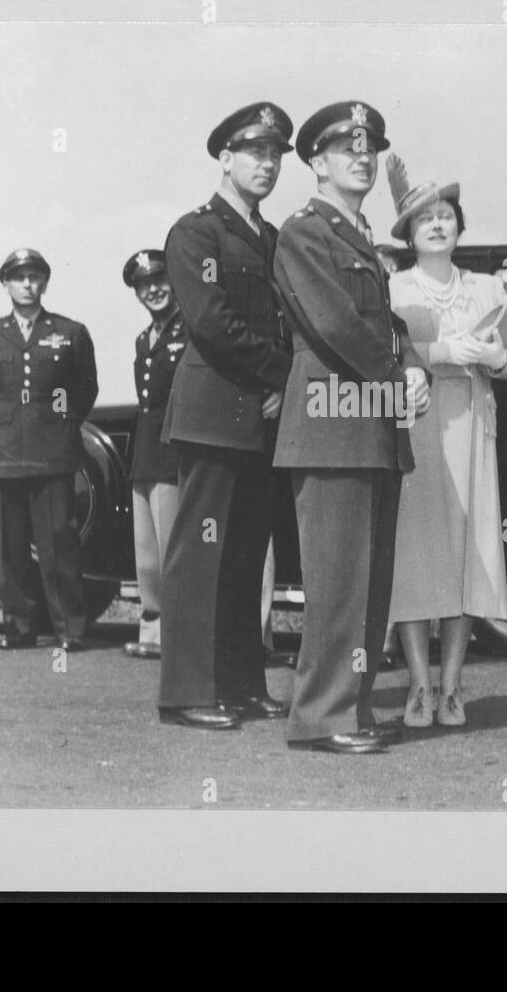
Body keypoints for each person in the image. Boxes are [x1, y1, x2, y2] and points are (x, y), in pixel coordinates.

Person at [272, 101, 431, 754]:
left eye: (369, 148)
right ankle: (322, 714)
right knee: (337, 581)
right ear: (317, 161)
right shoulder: (305, 232)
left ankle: (353, 706)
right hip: (333, 420)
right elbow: (335, 325)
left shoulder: (359, 234)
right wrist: (398, 378)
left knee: (366, 582)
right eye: (345, 148)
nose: (361, 158)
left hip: (369, 422)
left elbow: (385, 329)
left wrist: (413, 366)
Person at [156, 102, 295, 730]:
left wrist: (281, 386)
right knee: (200, 555)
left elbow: (288, 320)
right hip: (215, 413)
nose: (267, 165)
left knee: (245, 556)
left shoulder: (272, 237)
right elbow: (212, 322)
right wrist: (281, 375)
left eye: (275, 155)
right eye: (255, 153)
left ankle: (241, 685)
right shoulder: (196, 232)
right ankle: (186, 692)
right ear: (225, 158)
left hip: (262, 418)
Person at [384, 173, 507, 726]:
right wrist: (446, 349)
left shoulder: (487, 288)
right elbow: (383, 349)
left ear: (459, 226)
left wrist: (497, 359)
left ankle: (452, 686)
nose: (437, 225)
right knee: (417, 553)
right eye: (425, 219)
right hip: (417, 424)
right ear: (408, 232)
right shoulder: (394, 288)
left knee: (465, 553)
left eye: (446, 215)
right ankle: (417, 688)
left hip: (473, 423)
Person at [0, 249, 99, 651]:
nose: (27, 284)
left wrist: (57, 423)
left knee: (59, 545)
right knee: (10, 549)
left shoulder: (70, 332)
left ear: (45, 283)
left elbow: (84, 388)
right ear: (5, 284)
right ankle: (19, 629)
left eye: (35, 277)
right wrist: (10, 423)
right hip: (5, 455)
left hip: (52, 453)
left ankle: (69, 630)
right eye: (19, 277)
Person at [121, 250, 184, 660]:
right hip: (145, 451)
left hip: (174, 451)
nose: (153, 290)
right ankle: (152, 632)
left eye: (159, 280)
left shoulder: (192, 329)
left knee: (171, 548)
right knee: (146, 555)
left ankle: (178, 635)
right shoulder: (145, 338)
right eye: (144, 285)